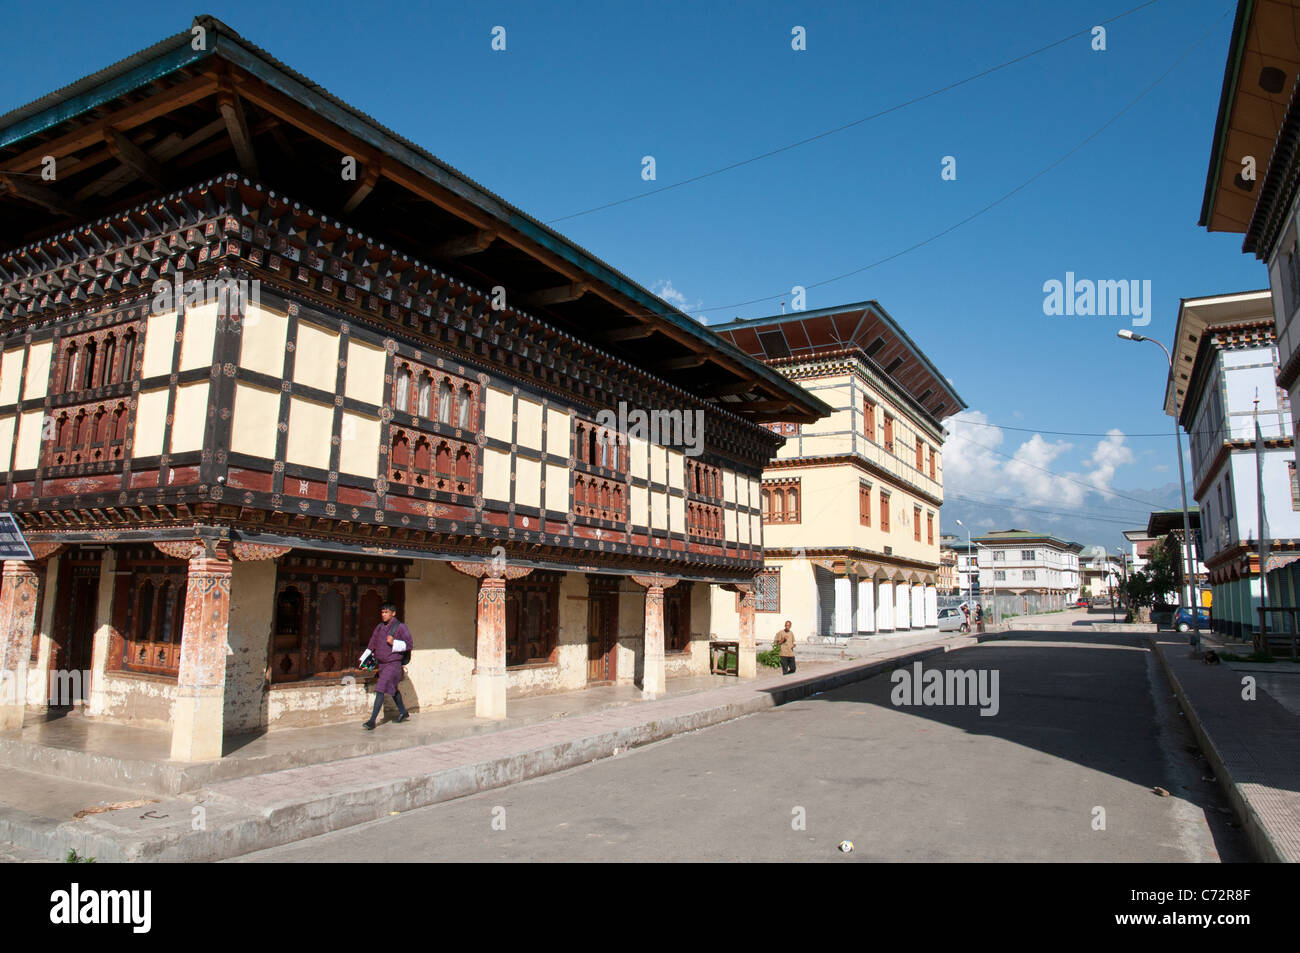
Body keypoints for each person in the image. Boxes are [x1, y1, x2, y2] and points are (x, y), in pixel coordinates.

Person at [362, 602, 412, 730]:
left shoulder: (400, 627)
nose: (383, 615)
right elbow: (372, 644)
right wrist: (364, 661)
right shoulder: (379, 627)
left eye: (386, 612)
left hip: (393, 664)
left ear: (393, 613)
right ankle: (403, 712)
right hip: (383, 665)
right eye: (382, 612)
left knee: (380, 689)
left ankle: (372, 721)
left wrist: (394, 642)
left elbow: (409, 644)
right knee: (392, 689)